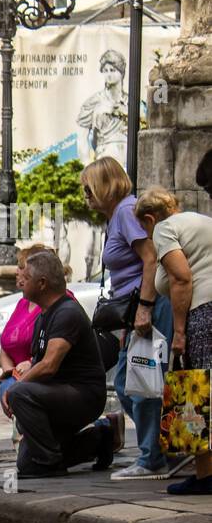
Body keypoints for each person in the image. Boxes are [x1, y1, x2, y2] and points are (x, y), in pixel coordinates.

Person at [81, 156, 179, 480]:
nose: (85, 196)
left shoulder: (125, 211)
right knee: (132, 382)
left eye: (88, 188)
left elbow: (151, 259)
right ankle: (159, 450)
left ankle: (152, 457)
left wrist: (145, 307)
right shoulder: (117, 215)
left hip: (149, 303)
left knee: (139, 381)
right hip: (136, 305)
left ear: (104, 185)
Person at [3, 250, 114, 477]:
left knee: (20, 394)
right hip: (56, 395)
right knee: (26, 465)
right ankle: (99, 440)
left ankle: (51, 462)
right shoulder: (44, 315)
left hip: (83, 396)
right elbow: (38, 362)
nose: (21, 280)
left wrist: (16, 388)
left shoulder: (67, 312)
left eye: (26, 277)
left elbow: (49, 364)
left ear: (42, 283)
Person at [135, 187, 212, 494]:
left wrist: (179, 331)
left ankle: (206, 476)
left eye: (144, 228)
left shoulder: (165, 229)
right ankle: (205, 473)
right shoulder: (200, 220)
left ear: (151, 218)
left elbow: (181, 278)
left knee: (196, 392)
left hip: (203, 312)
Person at [77, 50, 128, 164]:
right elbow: (82, 138)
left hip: (129, 161)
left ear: (122, 72)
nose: (109, 74)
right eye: (105, 71)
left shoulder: (132, 102)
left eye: (112, 70)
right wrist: (86, 164)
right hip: (105, 160)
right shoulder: (93, 102)